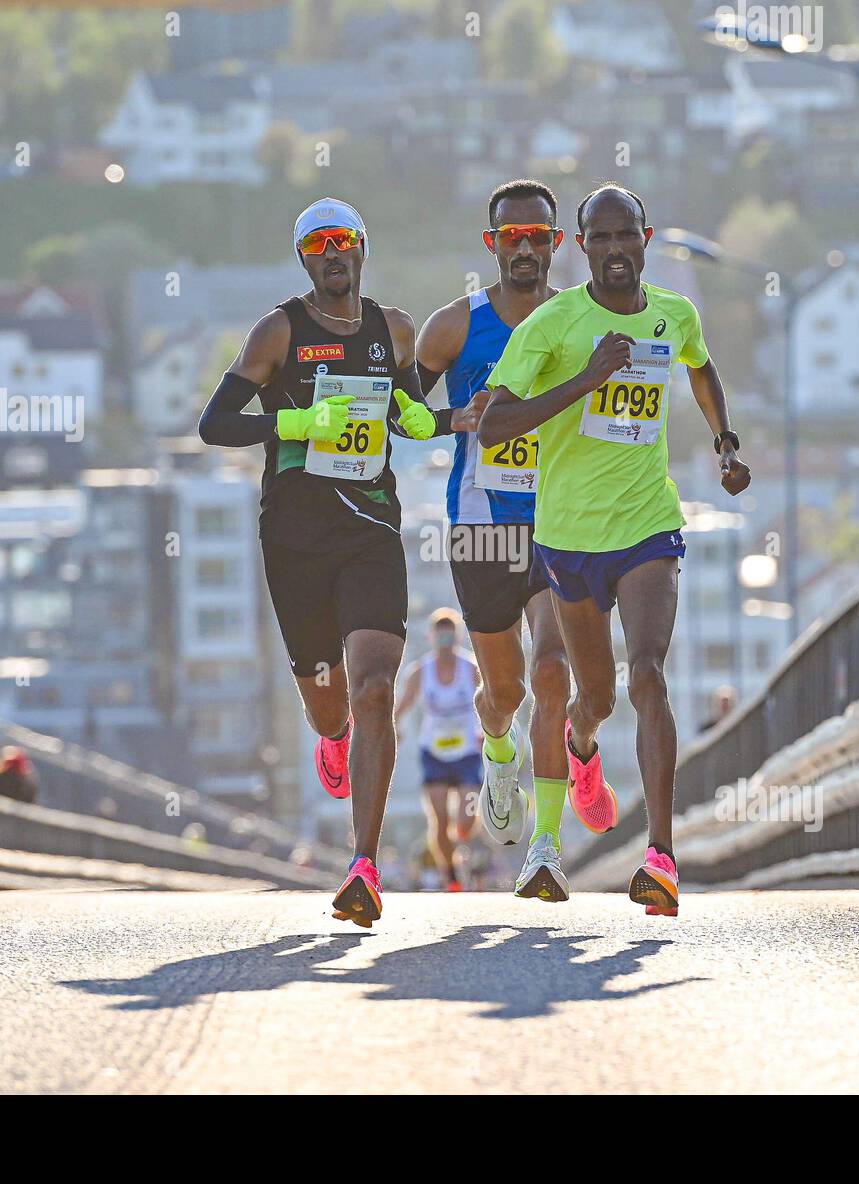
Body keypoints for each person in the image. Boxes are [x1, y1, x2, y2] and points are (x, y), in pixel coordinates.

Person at [478, 183, 752, 917]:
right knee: (591, 696)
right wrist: (588, 379)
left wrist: (725, 442)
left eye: (624, 236)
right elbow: (495, 427)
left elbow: (699, 364)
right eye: (597, 240)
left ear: (645, 236)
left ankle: (660, 858)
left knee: (649, 675)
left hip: (647, 525)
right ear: (581, 247)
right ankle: (582, 743)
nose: (613, 252)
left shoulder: (674, 313)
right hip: (568, 538)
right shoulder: (554, 324)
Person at [198, 197, 448, 928]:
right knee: (328, 699)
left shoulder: (392, 328)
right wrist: (293, 423)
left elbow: (408, 400)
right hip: (295, 539)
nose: (332, 254)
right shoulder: (278, 331)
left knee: (375, 688)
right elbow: (214, 424)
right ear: (304, 259)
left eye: (343, 242)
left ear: (362, 248)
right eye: (317, 246)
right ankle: (332, 741)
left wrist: (418, 414)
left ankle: (362, 866)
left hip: (372, 529)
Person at [414, 178, 572, 903]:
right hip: (481, 526)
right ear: (493, 245)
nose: (526, 248)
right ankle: (498, 750)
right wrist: (460, 420)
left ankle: (545, 847)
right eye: (513, 237)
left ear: (555, 245)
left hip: (562, 520)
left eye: (539, 236)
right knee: (504, 690)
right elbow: (397, 417)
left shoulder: (578, 322)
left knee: (552, 674)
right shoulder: (455, 327)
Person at [394, 608, 483, 891]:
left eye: (450, 633)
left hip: (467, 751)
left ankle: (459, 843)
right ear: (431, 637)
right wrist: (395, 727)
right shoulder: (421, 672)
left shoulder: (471, 669)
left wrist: (490, 734)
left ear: (457, 636)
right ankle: (450, 872)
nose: (445, 639)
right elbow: (402, 705)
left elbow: (491, 703)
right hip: (434, 753)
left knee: (466, 818)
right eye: (439, 633)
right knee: (440, 819)